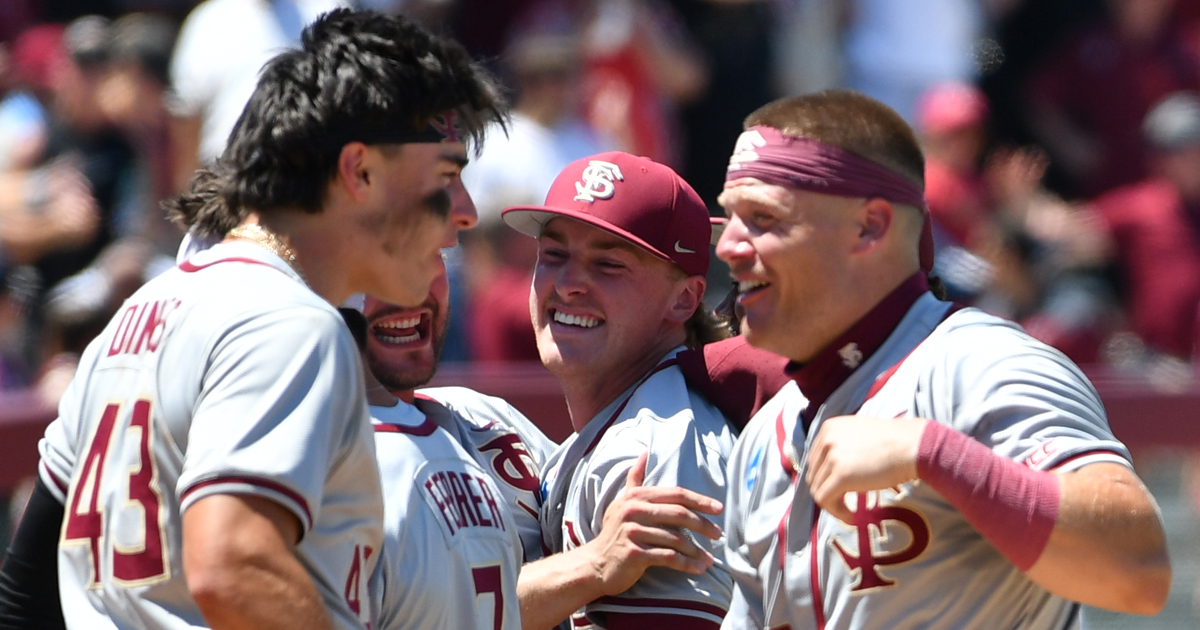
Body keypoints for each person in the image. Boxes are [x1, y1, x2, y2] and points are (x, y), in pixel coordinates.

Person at [0, 9, 505, 630]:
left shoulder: (143, 310)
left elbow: (25, 582)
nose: (466, 212)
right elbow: (234, 564)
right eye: (446, 176)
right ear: (360, 172)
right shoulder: (290, 322)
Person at [715, 89, 1171, 629]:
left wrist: (934, 453)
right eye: (731, 218)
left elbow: (1137, 570)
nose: (729, 247)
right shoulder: (764, 436)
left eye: (764, 217)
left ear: (870, 227)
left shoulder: (981, 362)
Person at [501, 151, 735, 629]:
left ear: (684, 298)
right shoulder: (633, 420)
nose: (568, 286)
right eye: (554, 255)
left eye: (608, 264)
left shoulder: (660, 448)